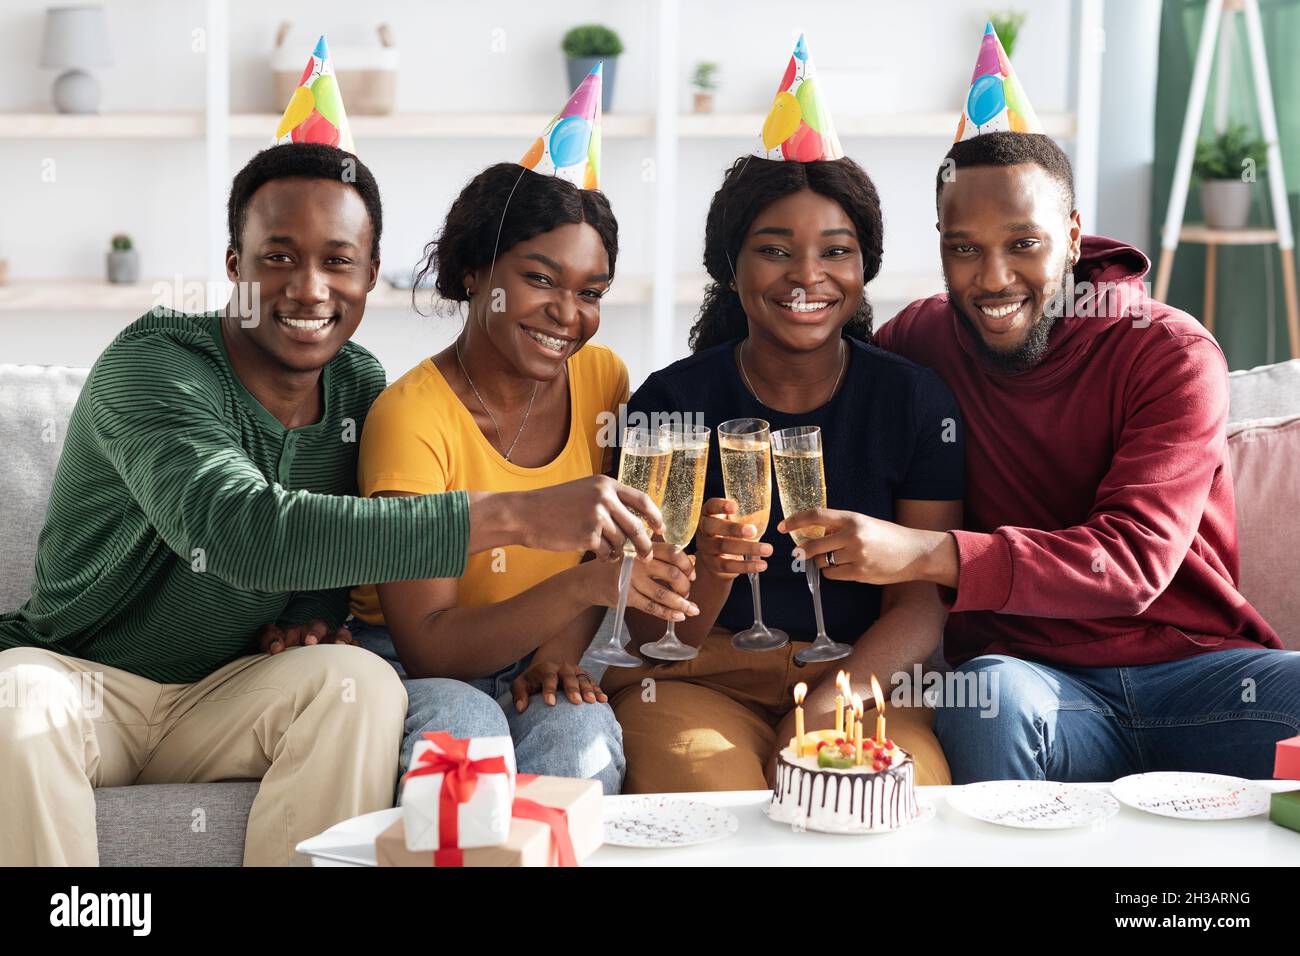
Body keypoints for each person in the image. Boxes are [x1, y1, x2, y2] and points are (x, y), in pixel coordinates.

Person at [0, 143, 663, 866]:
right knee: (17, 700)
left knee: (361, 686)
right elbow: (236, 528)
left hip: (230, 694)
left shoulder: (354, 387)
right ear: (234, 265)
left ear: (371, 275)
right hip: (84, 683)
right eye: (279, 257)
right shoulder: (154, 365)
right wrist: (513, 514)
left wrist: (307, 620)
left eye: (338, 261)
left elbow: (331, 556)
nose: (310, 288)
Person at [793, 127, 1300, 783]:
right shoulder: (923, 340)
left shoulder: (1170, 352)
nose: (994, 277)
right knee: (989, 701)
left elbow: (1132, 559)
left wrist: (923, 551)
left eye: (1023, 244)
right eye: (965, 249)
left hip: (1200, 676)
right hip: (1034, 684)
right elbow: (819, 399)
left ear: (1073, 232)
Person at [604, 150, 965, 794]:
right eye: (774, 250)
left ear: (862, 267)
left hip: (868, 674)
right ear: (730, 265)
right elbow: (646, 627)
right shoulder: (668, 403)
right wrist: (711, 572)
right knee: (708, 804)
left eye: (835, 251)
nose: (807, 276)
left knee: (881, 801)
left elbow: (922, 601)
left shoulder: (915, 401)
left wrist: (828, 705)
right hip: (701, 678)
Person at [346, 160, 697, 793]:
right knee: (467, 740)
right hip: (418, 665)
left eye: (591, 293)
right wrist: (586, 588)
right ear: (475, 272)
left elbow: (604, 547)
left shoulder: (602, 379)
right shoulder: (409, 417)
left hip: (548, 644)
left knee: (577, 742)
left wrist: (559, 655)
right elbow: (431, 645)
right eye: (541, 279)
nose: (568, 314)